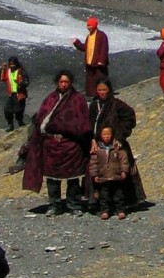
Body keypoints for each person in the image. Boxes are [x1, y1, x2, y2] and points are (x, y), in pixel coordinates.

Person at [22, 70, 91, 216]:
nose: (64, 84)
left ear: (71, 83)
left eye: (66, 82)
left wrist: (68, 132)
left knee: (73, 179)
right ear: (57, 83)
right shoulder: (50, 99)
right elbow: (41, 120)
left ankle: (74, 205)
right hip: (51, 144)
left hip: (72, 145)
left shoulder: (78, 99)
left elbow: (82, 122)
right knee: (53, 179)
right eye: (61, 82)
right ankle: (55, 204)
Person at [89, 78, 146, 209]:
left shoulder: (116, 104)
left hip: (116, 145)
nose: (102, 92)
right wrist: (92, 139)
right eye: (99, 90)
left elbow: (129, 117)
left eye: (104, 90)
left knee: (121, 171)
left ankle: (125, 202)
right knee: (98, 171)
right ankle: (101, 204)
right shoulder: (94, 106)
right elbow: (90, 124)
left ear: (109, 91)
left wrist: (119, 137)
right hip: (99, 146)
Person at [88, 125, 129, 220]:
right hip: (103, 177)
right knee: (104, 196)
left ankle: (120, 210)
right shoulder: (97, 149)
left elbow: (124, 160)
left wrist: (124, 171)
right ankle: (105, 211)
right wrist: (95, 175)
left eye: (108, 134)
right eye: (104, 134)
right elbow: (93, 163)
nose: (106, 136)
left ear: (112, 135)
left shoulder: (117, 147)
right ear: (100, 135)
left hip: (116, 176)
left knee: (118, 195)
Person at [72, 16, 109, 98]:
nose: (89, 28)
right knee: (90, 81)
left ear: (95, 26)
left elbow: (104, 48)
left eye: (90, 26)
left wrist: (101, 61)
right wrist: (76, 43)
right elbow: (85, 47)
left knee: (100, 79)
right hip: (90, 62)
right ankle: (92, 95)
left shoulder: (101, 35)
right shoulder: (89, 36)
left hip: (99, 63)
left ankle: (103, 95)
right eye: (88, 26)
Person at [0, 56, 29, 131]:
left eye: (13, 64)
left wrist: (20, 83)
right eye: (10, 64)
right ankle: (10, 125)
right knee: (7, 110)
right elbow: (2, 78)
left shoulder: (21, 71)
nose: (12, 66)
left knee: (18, 111)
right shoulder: (8, 71)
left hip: (19, 95)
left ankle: (20, 122)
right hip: (11, 94)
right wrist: (2, 69)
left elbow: (26, 82)